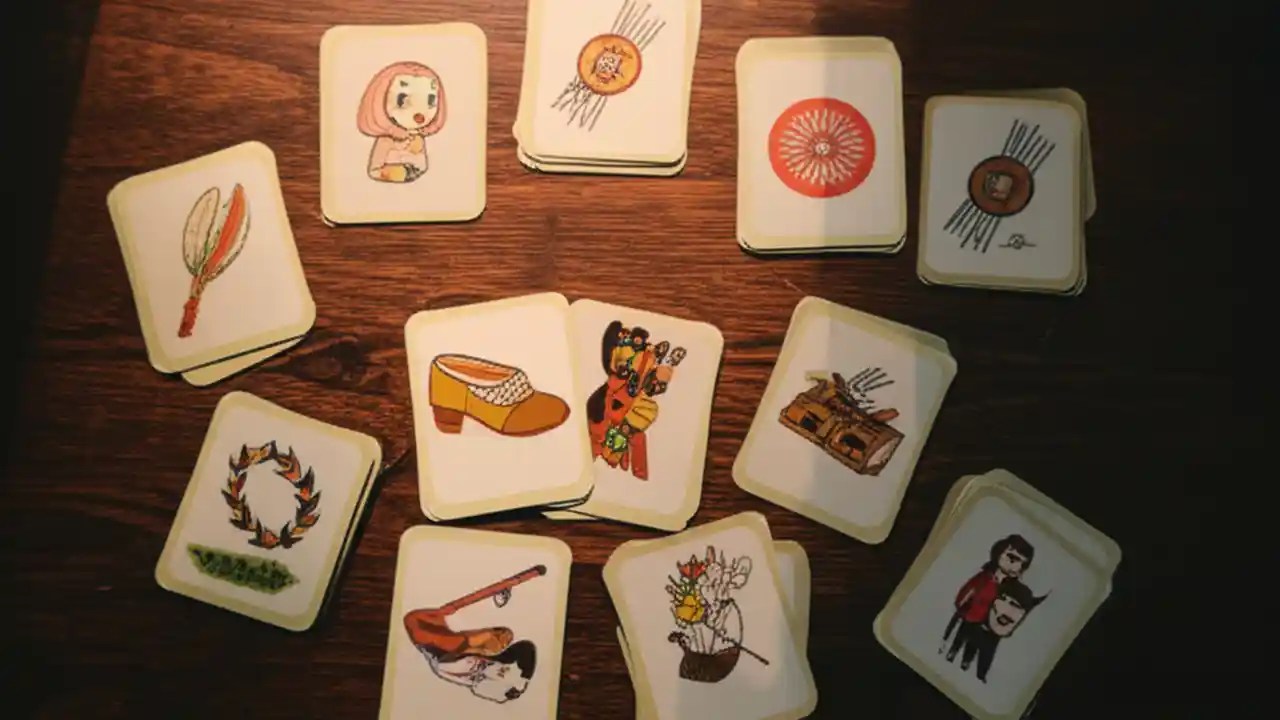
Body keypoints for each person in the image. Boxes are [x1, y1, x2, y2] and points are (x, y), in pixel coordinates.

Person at [402, 565, 544, 703]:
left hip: (450, 653)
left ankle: (487, 655)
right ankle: (489, 654)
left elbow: (456, 653)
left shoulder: (447, 657)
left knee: (511, 649)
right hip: (458, 654)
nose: (501, 642)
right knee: (516, 648)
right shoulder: (461, 656)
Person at [940, 535, 1035, 666]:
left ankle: (966, 661)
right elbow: (969, 587)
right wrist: (960, 602)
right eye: (1012, 558)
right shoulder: (985, 575)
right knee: (961, 634)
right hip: (970, 612)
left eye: (1022, 564)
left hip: (985, 620)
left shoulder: (1011, 588)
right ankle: (952, 652)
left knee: (974, 642)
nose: (1015, 565)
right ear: (999, 553)